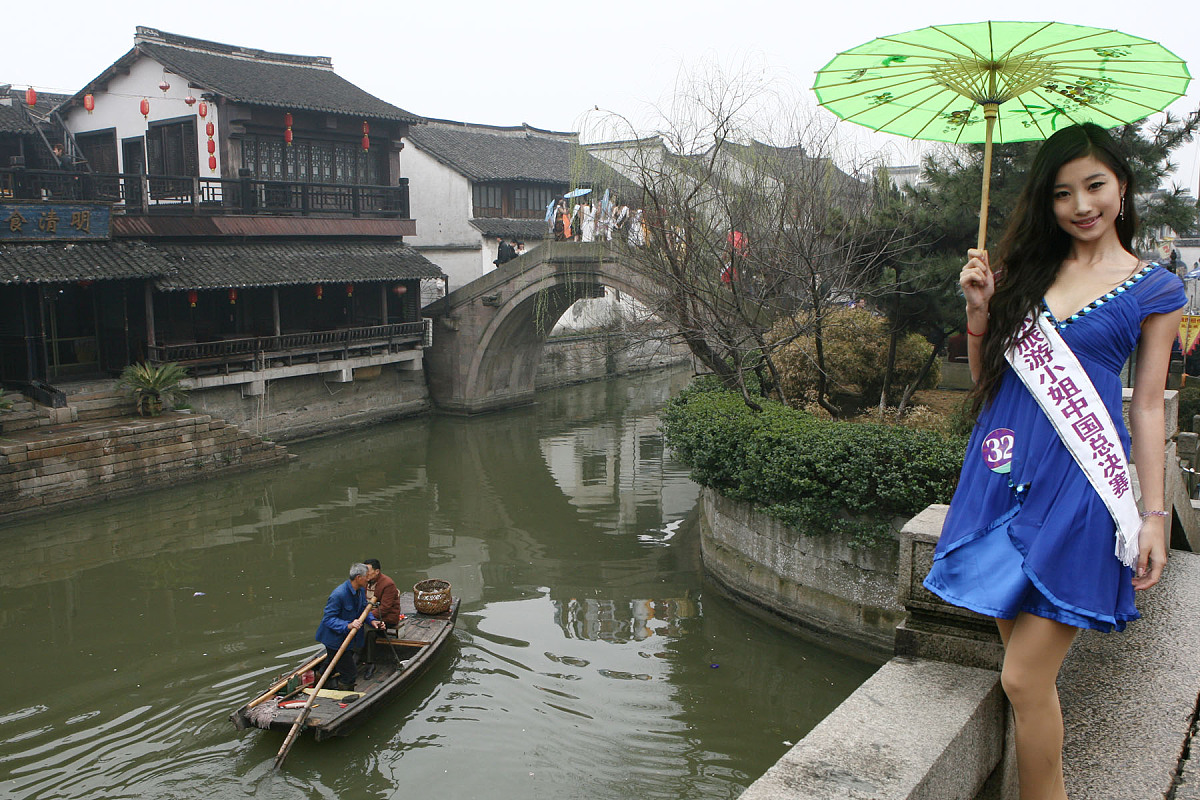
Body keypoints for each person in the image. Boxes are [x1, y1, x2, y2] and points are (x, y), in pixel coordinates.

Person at [923, 123, 1185, 800]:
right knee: (1028, 678)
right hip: (1001, 476)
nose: (1080, 204)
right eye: (1063, 192)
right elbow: (988, 384)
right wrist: (980, 312)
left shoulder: (1153, 288)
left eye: (1094, 185)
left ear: (1122, 188)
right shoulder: (1023, 275)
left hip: (1081, 489)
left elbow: (1148, 408)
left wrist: (1153, 515)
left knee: (1021, 678)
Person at [314, 563, 382, 691]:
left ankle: (321, 681)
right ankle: (345, 697)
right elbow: (328, 619)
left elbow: (363, 610)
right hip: (335, 639)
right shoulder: (339, 595)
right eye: (366, 576)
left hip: (349, 639)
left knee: (332, 662)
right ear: (358, 577)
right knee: (350, 673)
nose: (369, 579)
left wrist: (372, 621)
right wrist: (348, 625)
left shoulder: (360, 591)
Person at [363, 558, 400, 629]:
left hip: (386, 617)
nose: (365, 574)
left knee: (364, 626)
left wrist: (366, 616)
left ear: (377, 571)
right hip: (368, 613)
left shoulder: (388, 584)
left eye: (368, 571)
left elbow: (385, 608)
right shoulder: (365, 581)